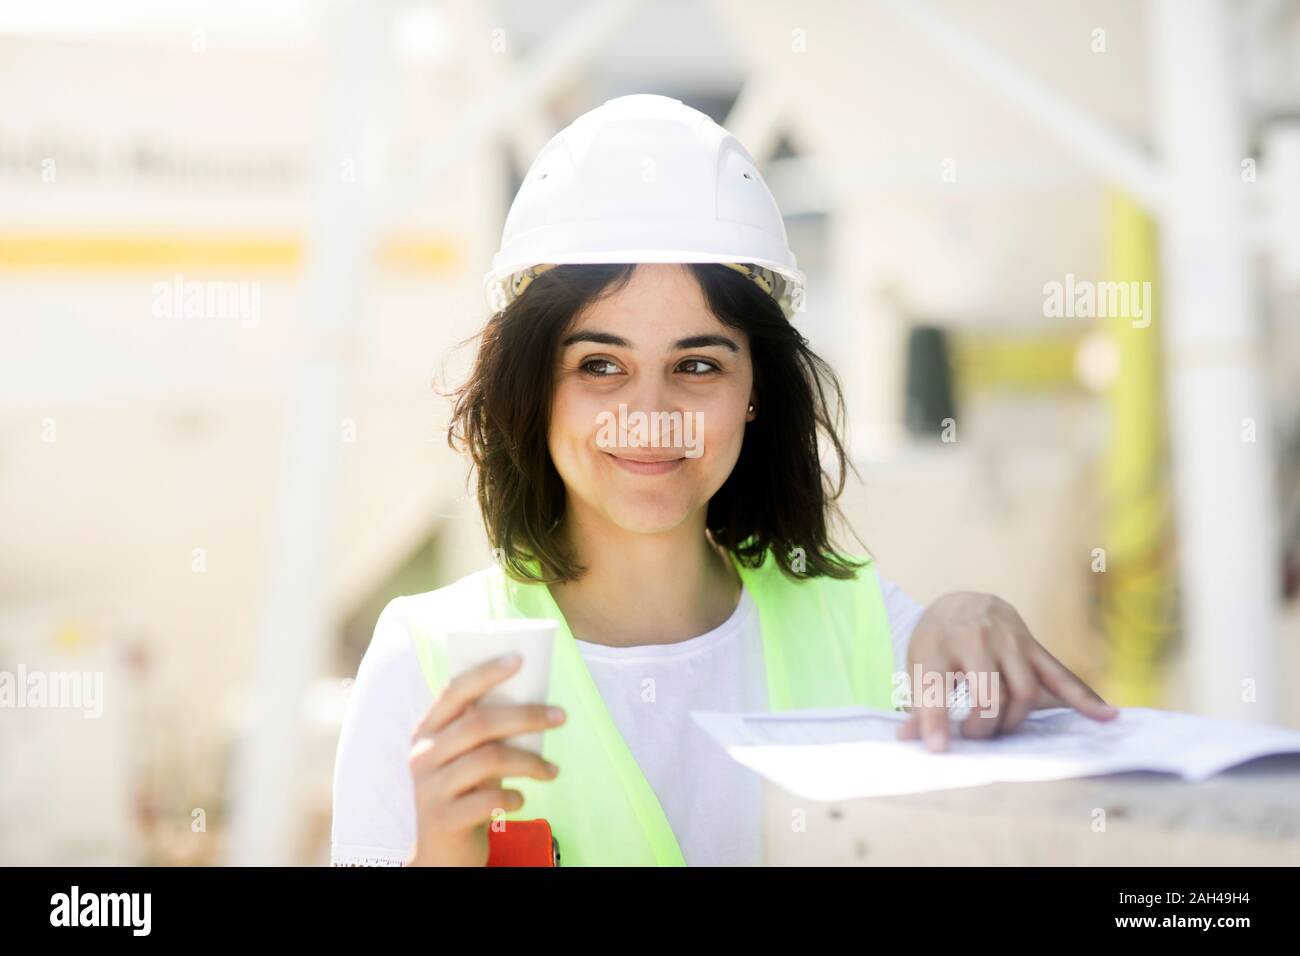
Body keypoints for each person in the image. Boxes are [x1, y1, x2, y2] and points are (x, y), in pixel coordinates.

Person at [331, 94, 1115, 867]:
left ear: (755, 393)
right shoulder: (423, 664)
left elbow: (1082, 824)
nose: (650, 412)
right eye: (599, 365)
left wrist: (972, 617)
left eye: (697, 365)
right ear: (536, 388)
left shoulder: (872, 634)